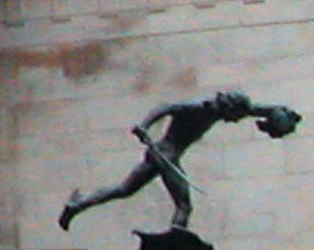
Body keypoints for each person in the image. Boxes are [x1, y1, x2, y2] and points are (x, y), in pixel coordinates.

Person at [59, 90, 300, 230]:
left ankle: (77, 205)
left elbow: (257, 110)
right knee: (184, 205)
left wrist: (278, 117)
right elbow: (166, 107)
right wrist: (144, 126)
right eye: (233, 118)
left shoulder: (221, 110)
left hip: (165, 154)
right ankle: (176, 244)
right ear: (227, 109)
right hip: (165, 154)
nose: (233, 121)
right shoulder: (198, 108)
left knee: (125, 189)